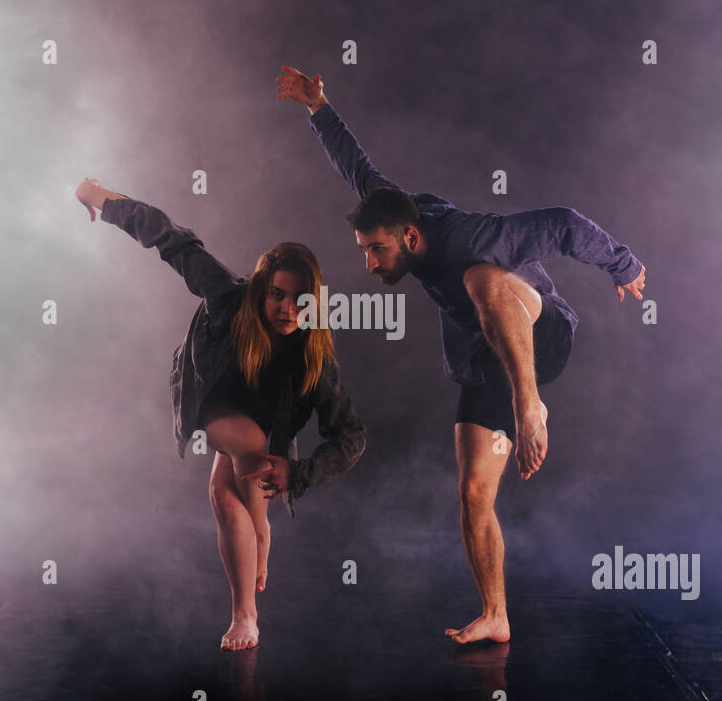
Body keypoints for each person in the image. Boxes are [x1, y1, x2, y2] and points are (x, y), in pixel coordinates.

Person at [275, 67, 647, 644]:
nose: (370, 263)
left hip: (540, 335)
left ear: (411, 239)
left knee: (483, 281)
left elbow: (565, 224)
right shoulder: (400, 212)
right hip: (485, 359)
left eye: (376, 251)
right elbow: (360, 172)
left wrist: (623, 266)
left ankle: (532, 407)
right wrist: (318, 107)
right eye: (365, 251)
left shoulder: (476, 238)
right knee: (474, 491)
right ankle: (495, 615)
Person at [75, 178, 367, 651]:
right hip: (209, 405)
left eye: (298, 300)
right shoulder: (229, 296)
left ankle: (245, 612)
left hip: (263, 439)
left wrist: (298, 473)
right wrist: (104, 199)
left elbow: (352, 434)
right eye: (276, 295)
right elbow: (171, 239)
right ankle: (256, 562)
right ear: (259, 290)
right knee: (249, 446)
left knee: (224, 497)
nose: (286, 308)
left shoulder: (314, 358)